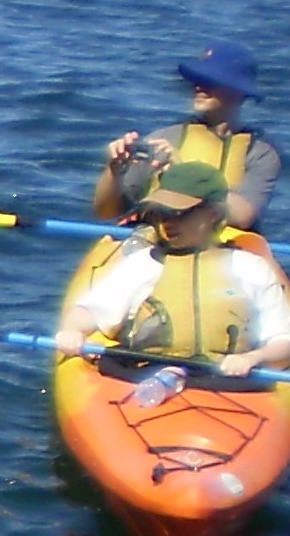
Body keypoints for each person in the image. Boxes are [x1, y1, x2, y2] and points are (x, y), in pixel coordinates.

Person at [56, 161, 290, 379]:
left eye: (179, 213)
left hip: (233, 384)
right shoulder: (142, 265)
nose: (167, 222)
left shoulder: (251, 269)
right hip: (147, 377)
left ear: (214, 214)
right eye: (160, 212)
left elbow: (283, 341)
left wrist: (253, 358)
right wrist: (72, 332)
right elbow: (87, 313)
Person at [93, 40, 276, 231]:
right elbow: (105, 212)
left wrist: (182, 170)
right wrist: (113, 170)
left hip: (220, 253)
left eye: (210, 80)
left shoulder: (260, 152)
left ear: (238, 92)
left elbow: (243, 216)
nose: (198, 87)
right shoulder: (163, 139)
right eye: (198, 80)